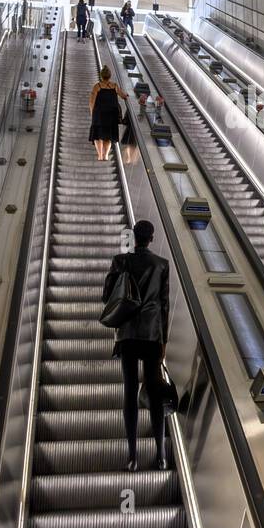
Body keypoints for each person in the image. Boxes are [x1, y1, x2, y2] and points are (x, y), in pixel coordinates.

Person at [103, 219, 170, 471]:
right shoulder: (162, 265)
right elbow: (164, 306)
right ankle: (161, 456)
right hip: (153, 336)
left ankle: (132, 458)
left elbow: (106, 296)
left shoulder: (121, 262)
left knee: (130, 393)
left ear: (133, 237)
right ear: (151, 238)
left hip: (128, 335)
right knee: (154, 394)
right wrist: (164, 341)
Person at [88, 64, 126, 161]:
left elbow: (92, 101)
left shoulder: (97, 86)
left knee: (98, 135)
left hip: (99, 114)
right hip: (111, 114)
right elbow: (123, 95)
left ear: (101, 76)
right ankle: (106, 155)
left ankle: (100, 155)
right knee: (108, 136)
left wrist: (92, 113)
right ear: (110, 76)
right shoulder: (114, 86)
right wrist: (126, 95)